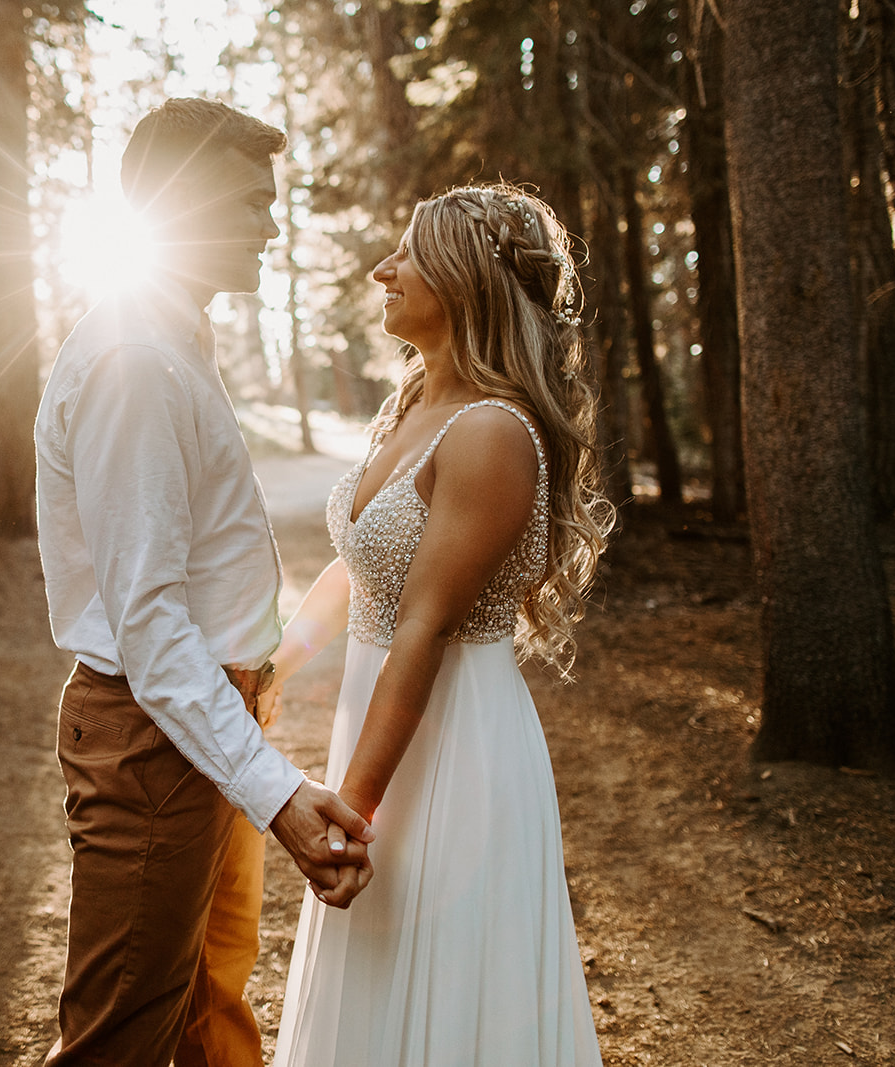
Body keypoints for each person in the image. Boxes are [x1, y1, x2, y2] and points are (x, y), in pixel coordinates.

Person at [33, 98, 374, 1067]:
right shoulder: (136, 359)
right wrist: (276, 792)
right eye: (247, 200)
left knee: (204, 1009)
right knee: (120, 1037)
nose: (270, 223)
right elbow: (146, 622)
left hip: (206, 722)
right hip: (152, 737)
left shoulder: (174, 334)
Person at [261, 183, 614, 1067]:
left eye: (407, 254)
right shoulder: (412, 404)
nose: (383, 269)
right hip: (382, 724)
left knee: (448, 998)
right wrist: (272, 673)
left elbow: (420, 629)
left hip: (454, 748)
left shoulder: (492, 431)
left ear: (463, 278)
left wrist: (352, 815)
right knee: (377, 987)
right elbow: (358, 570)